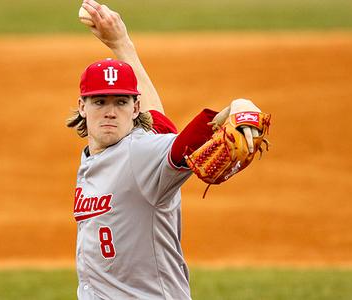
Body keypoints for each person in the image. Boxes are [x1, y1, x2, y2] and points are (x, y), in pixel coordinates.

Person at [67, 1, 262, 299]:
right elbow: (161, 124)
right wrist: (120, 44)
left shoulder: (139, 154)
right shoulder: (98, 156)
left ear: (134, 107)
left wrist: (238, 107)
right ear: (83, 106)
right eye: (99, 102)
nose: (109, 111)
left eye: (120, 102)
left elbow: (182, 145)